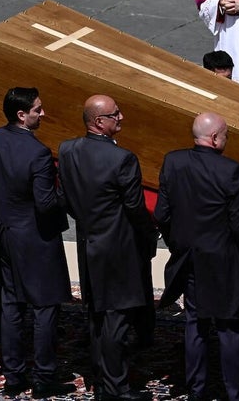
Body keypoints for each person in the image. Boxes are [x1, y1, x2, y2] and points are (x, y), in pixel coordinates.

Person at [0, 87, 74, 398]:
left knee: (11, 306)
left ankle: (14, 375)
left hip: (4, 236)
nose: (42, 114)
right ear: (22, 114)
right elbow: (45, 204)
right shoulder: (39, 154)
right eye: (37, 109)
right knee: (45, 308)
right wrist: (66, 192)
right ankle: (44, 378)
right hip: (36, 240)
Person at [58, 95, 159, 401]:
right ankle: (116, 389)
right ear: (100, 122)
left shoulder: (67, 150)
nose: (122, 118)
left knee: (97, 315)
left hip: (90, 244)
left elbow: (65, 198)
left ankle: (103, 379)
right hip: (119, 248)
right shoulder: (123, 159)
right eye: (116, 115)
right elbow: (134, 207)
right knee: (116, 319)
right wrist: (150, 235)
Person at [155, 112, 239, 401]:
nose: (227, 140)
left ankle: (196, 390)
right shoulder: (232, 170)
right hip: (222, 261)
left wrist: (178, 244)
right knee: (228, 327)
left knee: (194, 325)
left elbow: (162, 213)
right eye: (226, 135)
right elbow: (238, 225)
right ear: (214, 138)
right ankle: (237, 393)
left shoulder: (173, 161)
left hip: (189, 258)